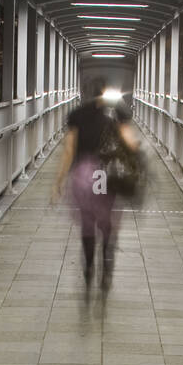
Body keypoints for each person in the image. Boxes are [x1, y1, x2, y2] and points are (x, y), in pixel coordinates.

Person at [52, 78, 140, 290]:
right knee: (107, 220)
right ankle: (106, 266)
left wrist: (59, 181)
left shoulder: (77, 115)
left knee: (87, 221)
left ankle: (89, 266)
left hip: (83, 174)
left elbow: (69, 150)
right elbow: (131, 145)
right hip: (105, 173)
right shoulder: (116, 114)